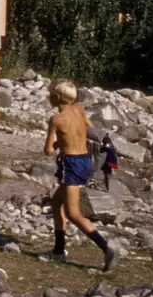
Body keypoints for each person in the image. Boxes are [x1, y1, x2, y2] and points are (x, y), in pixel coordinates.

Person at [45, 79, 119, 271]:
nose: (48, 97)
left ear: (57, 97)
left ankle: (106, 247)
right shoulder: (78, 109)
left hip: (71, 164)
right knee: (56, 203)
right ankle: (58, 250)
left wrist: (57, 142)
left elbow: (47, 150)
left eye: (50, 94)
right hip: (85, 160)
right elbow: (89, 127)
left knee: (73, 213)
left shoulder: (56, 119)